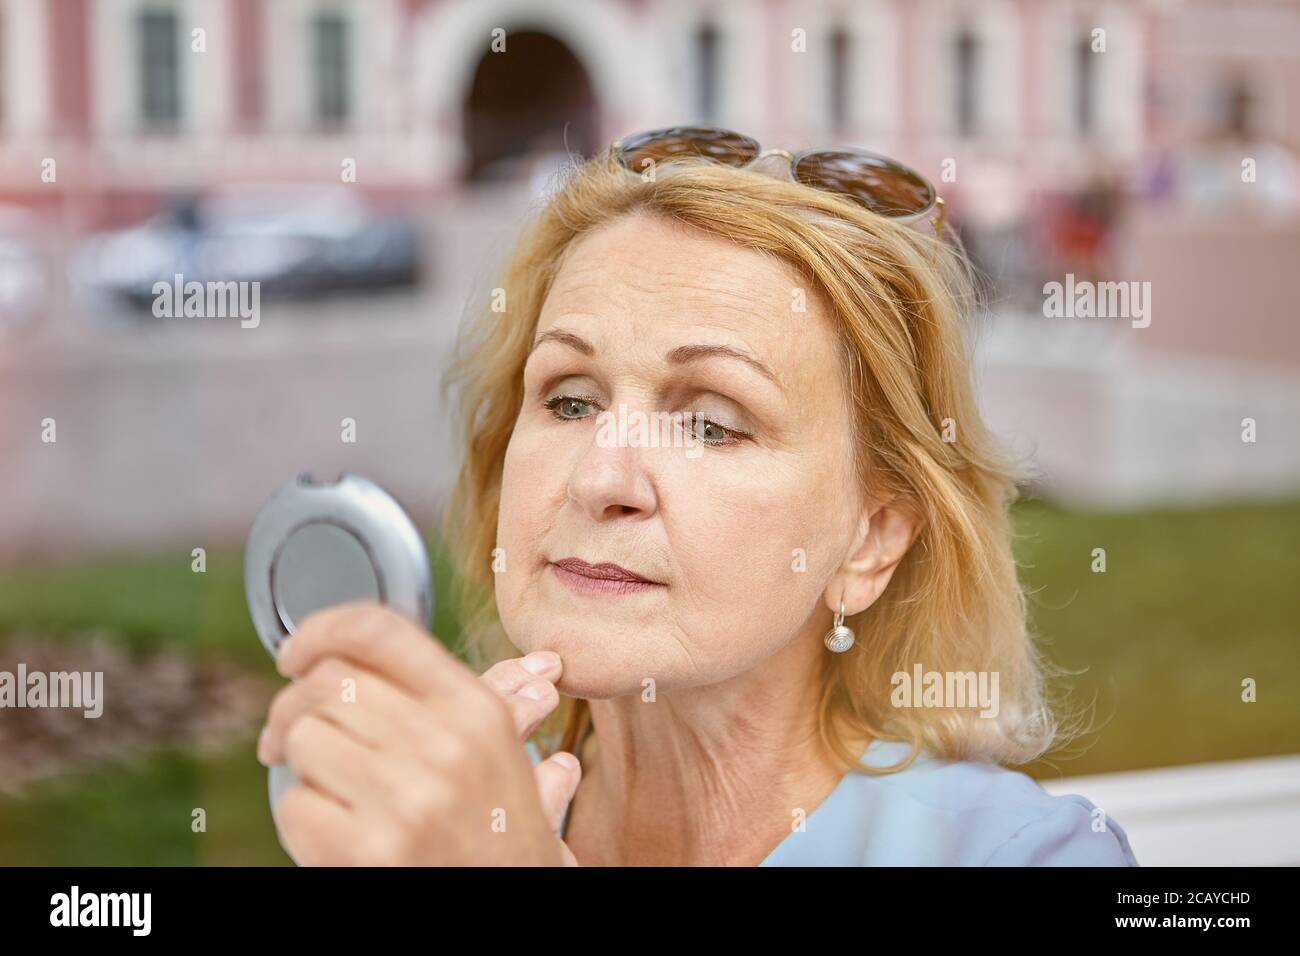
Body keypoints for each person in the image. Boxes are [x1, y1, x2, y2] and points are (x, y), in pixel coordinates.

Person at [256, 127, 1138, 866]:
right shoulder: (432, 824)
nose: (602, 479)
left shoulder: (1026, 856)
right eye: (570, 399)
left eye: (713, 424)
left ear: (871, 537)